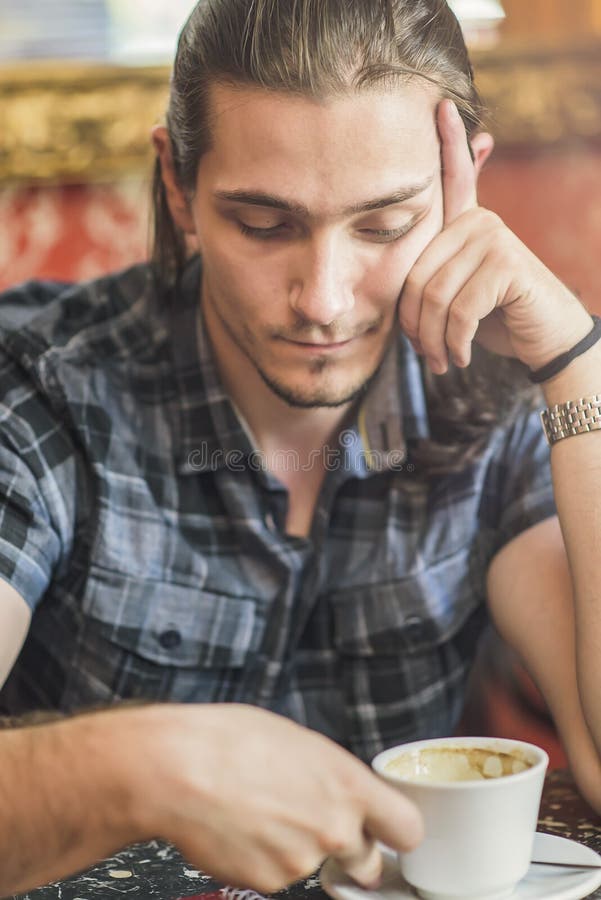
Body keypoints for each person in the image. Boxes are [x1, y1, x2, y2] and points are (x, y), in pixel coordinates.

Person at [1, 0, 600, 894]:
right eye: (263, 224)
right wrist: (141, 767)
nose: (321, 298)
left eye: (384, 225)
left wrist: (575, 365)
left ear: (460, 183)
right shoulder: (39, 386)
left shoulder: (495, 401)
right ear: (178, 187)